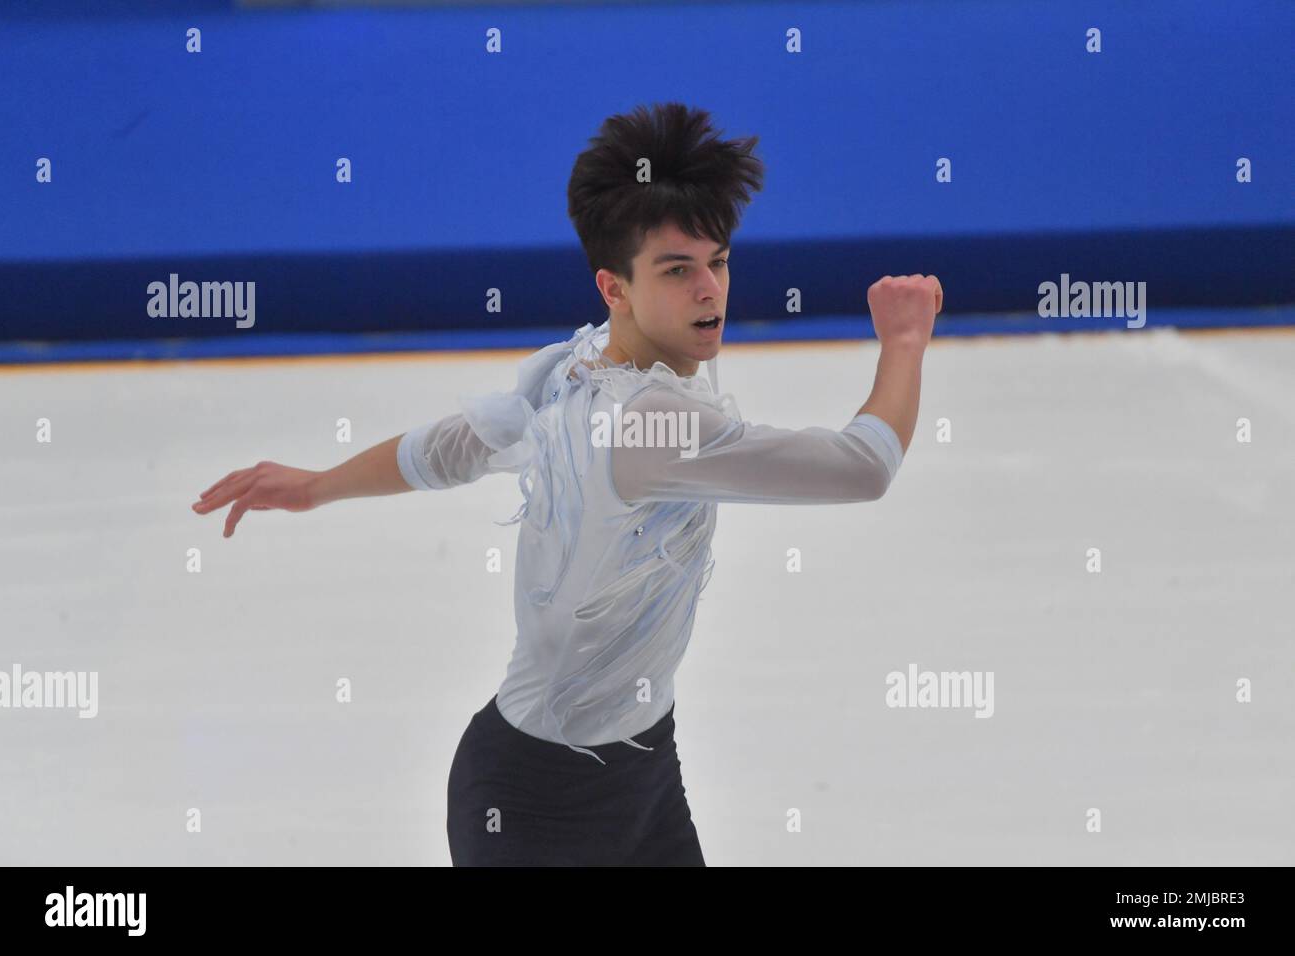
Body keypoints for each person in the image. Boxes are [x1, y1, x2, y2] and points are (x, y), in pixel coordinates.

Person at [191, 102, 942, 866]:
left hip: (645, 772)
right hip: (532, 807)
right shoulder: (653, 424)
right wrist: (905, 342)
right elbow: (864, 467)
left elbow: (448, 449)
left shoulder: (573, 362)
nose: (710, 291)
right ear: (613, 287)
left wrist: (318, 485)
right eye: (677, 271)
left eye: (717, 261)